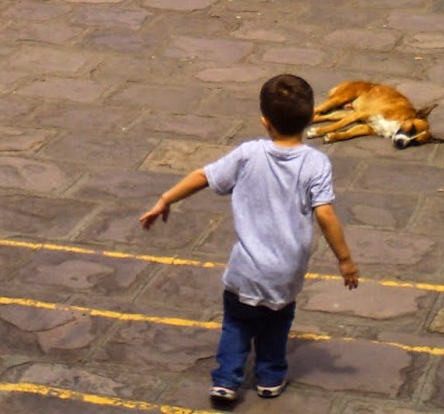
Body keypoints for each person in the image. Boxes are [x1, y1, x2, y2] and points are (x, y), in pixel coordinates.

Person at [138, 74, 359, 406]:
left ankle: (227, 380)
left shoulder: (248, 154)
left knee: (237, 325)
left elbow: (203, 176)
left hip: (246, 270)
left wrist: (166, 199)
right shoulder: (316, 163)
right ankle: (270, 377)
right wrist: (344, 259)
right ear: (312, 118)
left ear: (265, 122)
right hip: (286, 272)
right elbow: (325, 214)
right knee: (277, 323)